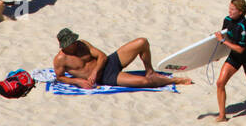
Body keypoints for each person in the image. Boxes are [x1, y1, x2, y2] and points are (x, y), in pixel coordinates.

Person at [53, 28, 192, 88]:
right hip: (106, 77)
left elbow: (101, 56)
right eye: (72, 43)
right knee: (144, 82)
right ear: (65, 46)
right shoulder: (60, 59)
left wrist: (94, 71)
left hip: (109, 62)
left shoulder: (82, 44)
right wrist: (78, 81)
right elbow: (59, 77)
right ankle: (174, 81)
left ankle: (150, 70)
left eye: (74, 40)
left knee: (142, 42)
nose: (75, 43)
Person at [214, 0, 246, 121]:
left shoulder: (244, 27)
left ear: (240, 12)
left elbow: (240, 49)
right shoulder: (227, 20)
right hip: (235, 57)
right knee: (220, 83)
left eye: (233, 9)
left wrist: (223, 41)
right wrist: (218, 55)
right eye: (229, 8)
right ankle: (222, 115)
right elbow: (224, 37)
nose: (229, 11)